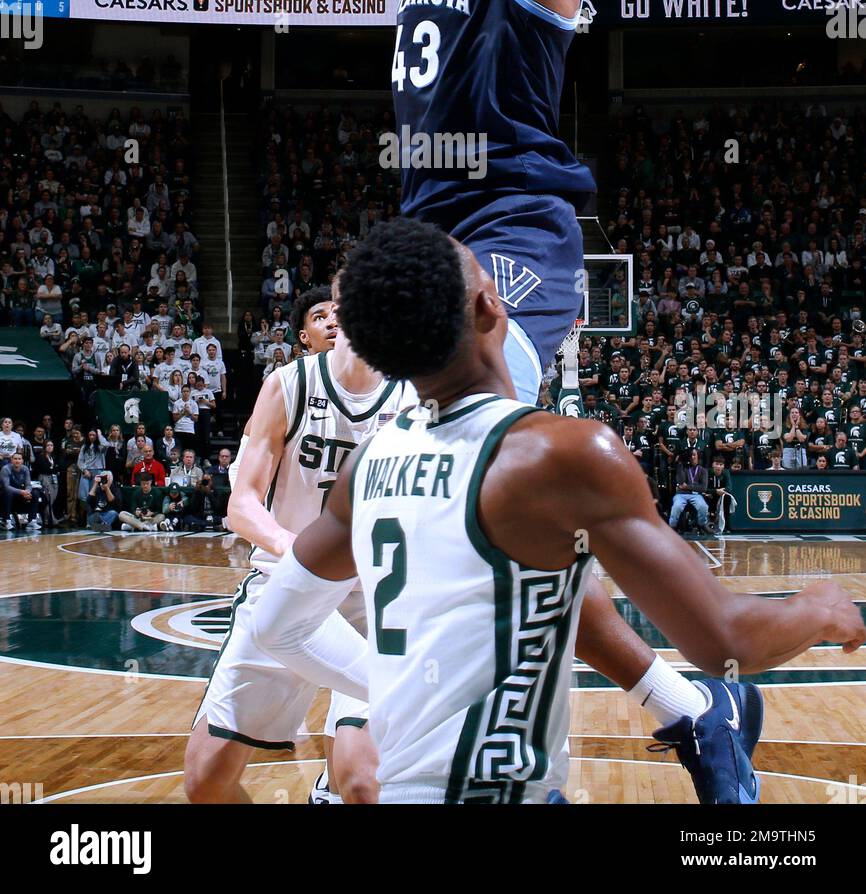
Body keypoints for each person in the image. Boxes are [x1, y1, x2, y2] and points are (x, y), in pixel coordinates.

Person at [338, 0, 739, 799]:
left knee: (485, 487)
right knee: (442, 505)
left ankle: (508, 760)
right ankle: (688, 710)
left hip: (508, 240)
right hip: (427, 237)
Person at [251, 218, 865, 805]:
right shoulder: (561, 454)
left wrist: (401, 688)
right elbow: (726, 642)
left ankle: (690, 711)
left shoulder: (367, 465)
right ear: (493, 307)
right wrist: (820, 609)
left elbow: (279, 626)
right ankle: (699, 712)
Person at [184, 283, 402, 806]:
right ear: (308, 333)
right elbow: (241, 506)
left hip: (372, 600)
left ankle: (335, 778)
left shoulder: (413, 395)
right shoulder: (288, 385)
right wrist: (300, 552)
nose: (334, 318)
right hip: (286, 585)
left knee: (362, 781)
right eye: (324, 313)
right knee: (206, 782)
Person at [1, 451, 42, 531]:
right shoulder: (5, 469)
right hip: (5, 494)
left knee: (35, 493)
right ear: (11, 460)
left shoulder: (25, 469)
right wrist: (22, 492)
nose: (17, 461)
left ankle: (31, 521)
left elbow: (28, 484)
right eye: (15, 459)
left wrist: (27, 492)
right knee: (7, 493)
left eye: (19, 459)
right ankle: (6, 521)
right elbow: (6, 487)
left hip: (20, 494)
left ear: (22, 461)